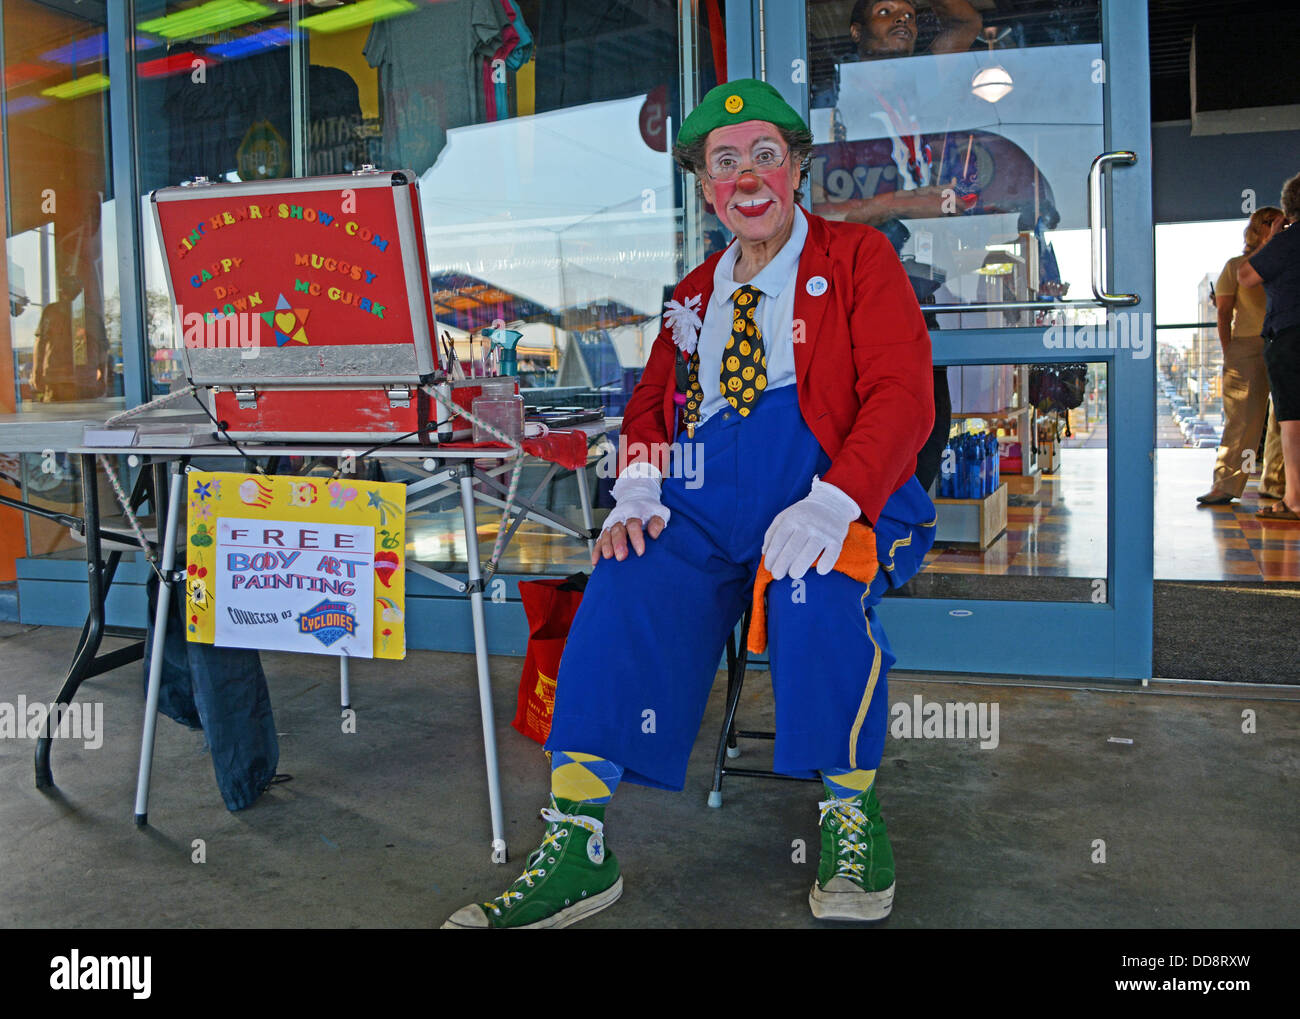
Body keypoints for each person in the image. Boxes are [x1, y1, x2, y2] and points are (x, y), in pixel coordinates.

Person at [444, 80, 936, 929]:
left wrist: (838, 501)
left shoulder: (857, 260)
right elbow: (651, 406)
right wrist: (637, 484)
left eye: (766, 156)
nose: (748, 176)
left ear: (796, 170)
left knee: (815, 591)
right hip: (706, 504)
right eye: (726, 162)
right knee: (623, 576)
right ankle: (577, 843)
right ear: (707, 189)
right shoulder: (697, 288)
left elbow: (902, 393)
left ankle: (851, 815)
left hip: (837, 493)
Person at [1197, 207, 1286, 505]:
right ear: (1255, 228)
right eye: (1270, 223)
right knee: (1243, 420)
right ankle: (1225, 485)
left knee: (1284, 417)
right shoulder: (1236, 266)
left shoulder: (1287, 262)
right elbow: (1223, 313)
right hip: (1246, 347)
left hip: (1283, 341)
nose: (1278, 227)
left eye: (1282, 223)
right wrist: (1229, 352)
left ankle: (1277, 485)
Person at [1241, 173, 1300, 521]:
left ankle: (1294, 500)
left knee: (1292, 421)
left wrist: (1273, 238)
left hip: (1290, 336)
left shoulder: (1287, 240)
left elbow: (1247, 276)